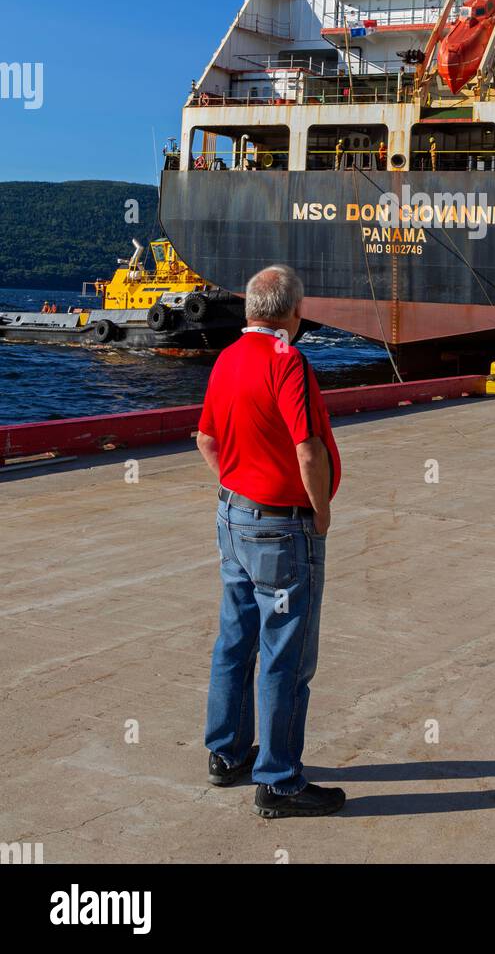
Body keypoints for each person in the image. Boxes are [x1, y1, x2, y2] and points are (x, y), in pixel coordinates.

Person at [196, 264, 345, 818]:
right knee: (287, 652)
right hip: (282, 529)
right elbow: (308, 449)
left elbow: (206, 438)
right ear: (292, 314)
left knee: (236, 640)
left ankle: (226, 754)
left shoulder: (227, 359)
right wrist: (321, 512)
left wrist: (234, 488)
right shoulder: (289, 361)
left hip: (232, 518)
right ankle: (280, 780)